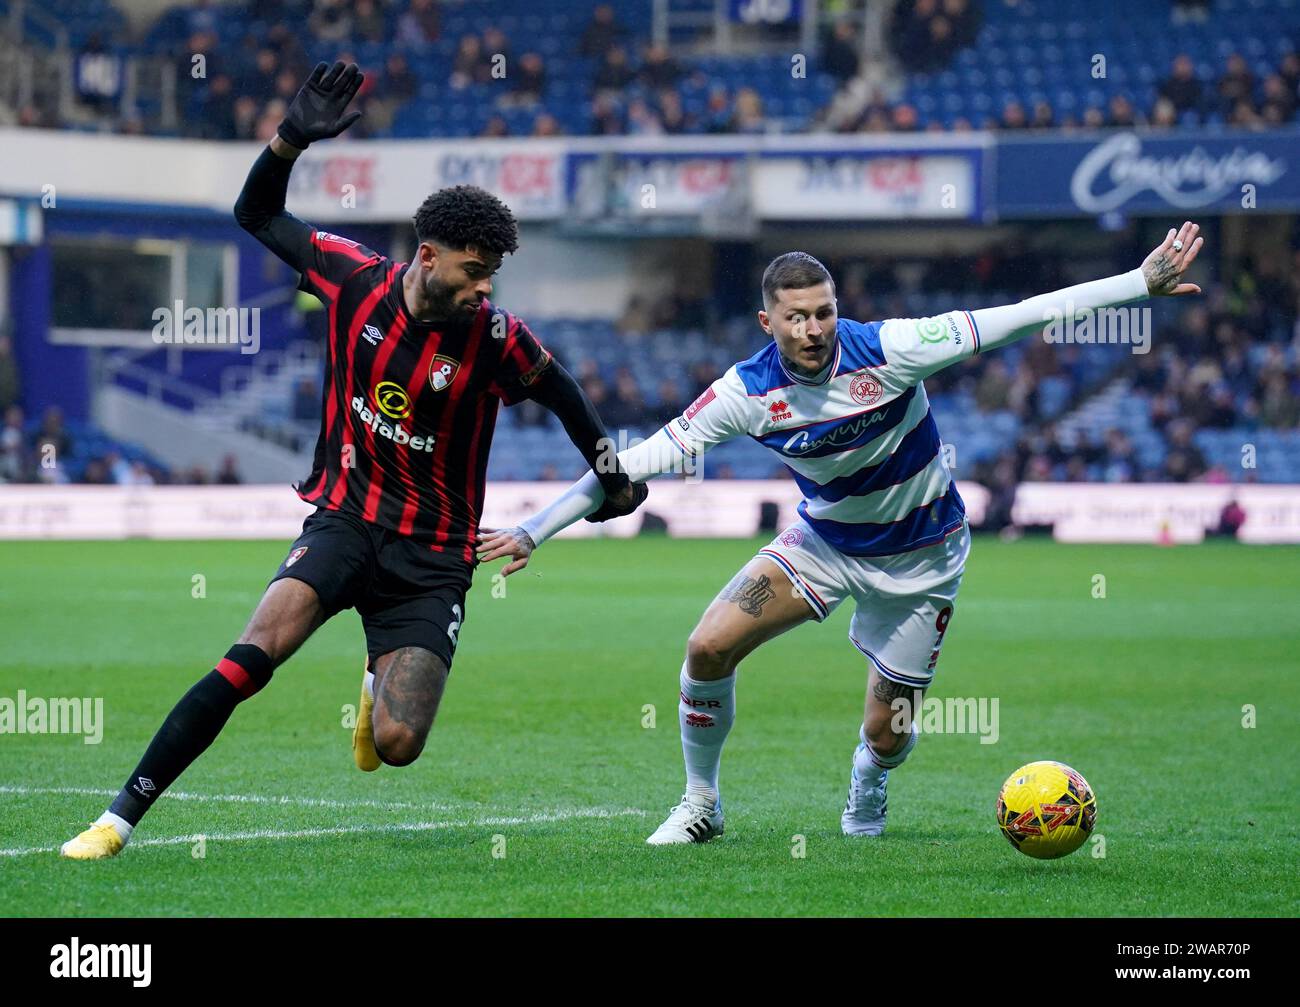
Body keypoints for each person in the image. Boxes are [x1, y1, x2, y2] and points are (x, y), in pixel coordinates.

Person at [61, 62, 646, 860]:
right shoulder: (347, 276)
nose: (485, 289)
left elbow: (568, 395)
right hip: (344, 519)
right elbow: (254, 210)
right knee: (249, 656)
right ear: (429, 254)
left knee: (400, 743)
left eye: (493, 276)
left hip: (434, 558)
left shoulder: (498, 339)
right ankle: (115, 820)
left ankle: (375, 686)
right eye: (475, 272)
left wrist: (611, 476)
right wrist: (292, 137)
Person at [480, 223, 1205, 844]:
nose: (812, 329)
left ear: (837, 310)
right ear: (768, 322)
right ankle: (702, 803)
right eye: (795, 317)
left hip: (923, 561)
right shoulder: (746, 393)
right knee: (707, 645)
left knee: (888, 733)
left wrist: (1138, 283)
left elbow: (1020, 314)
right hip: (822, 546)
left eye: (823, 313)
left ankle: (868, 775)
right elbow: (628, 461)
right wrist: (537, 529)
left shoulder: (895, 348)